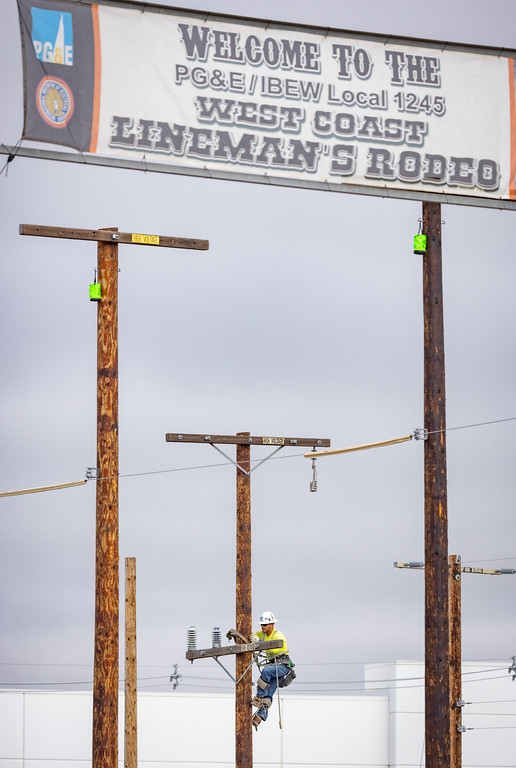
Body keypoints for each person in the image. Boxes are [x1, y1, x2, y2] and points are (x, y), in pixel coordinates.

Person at [250, 611, 294, 730]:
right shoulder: (262, 634)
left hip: (283, 666)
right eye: (261, 625)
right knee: (268, 693)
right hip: (274, 666)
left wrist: (258, 642)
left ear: (272, 624)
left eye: (265, 625)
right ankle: (260, 716)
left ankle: (258, 698)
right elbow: (252, 635)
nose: (262, 627)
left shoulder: (278, 635)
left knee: (266, 672)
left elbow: (274, 649)